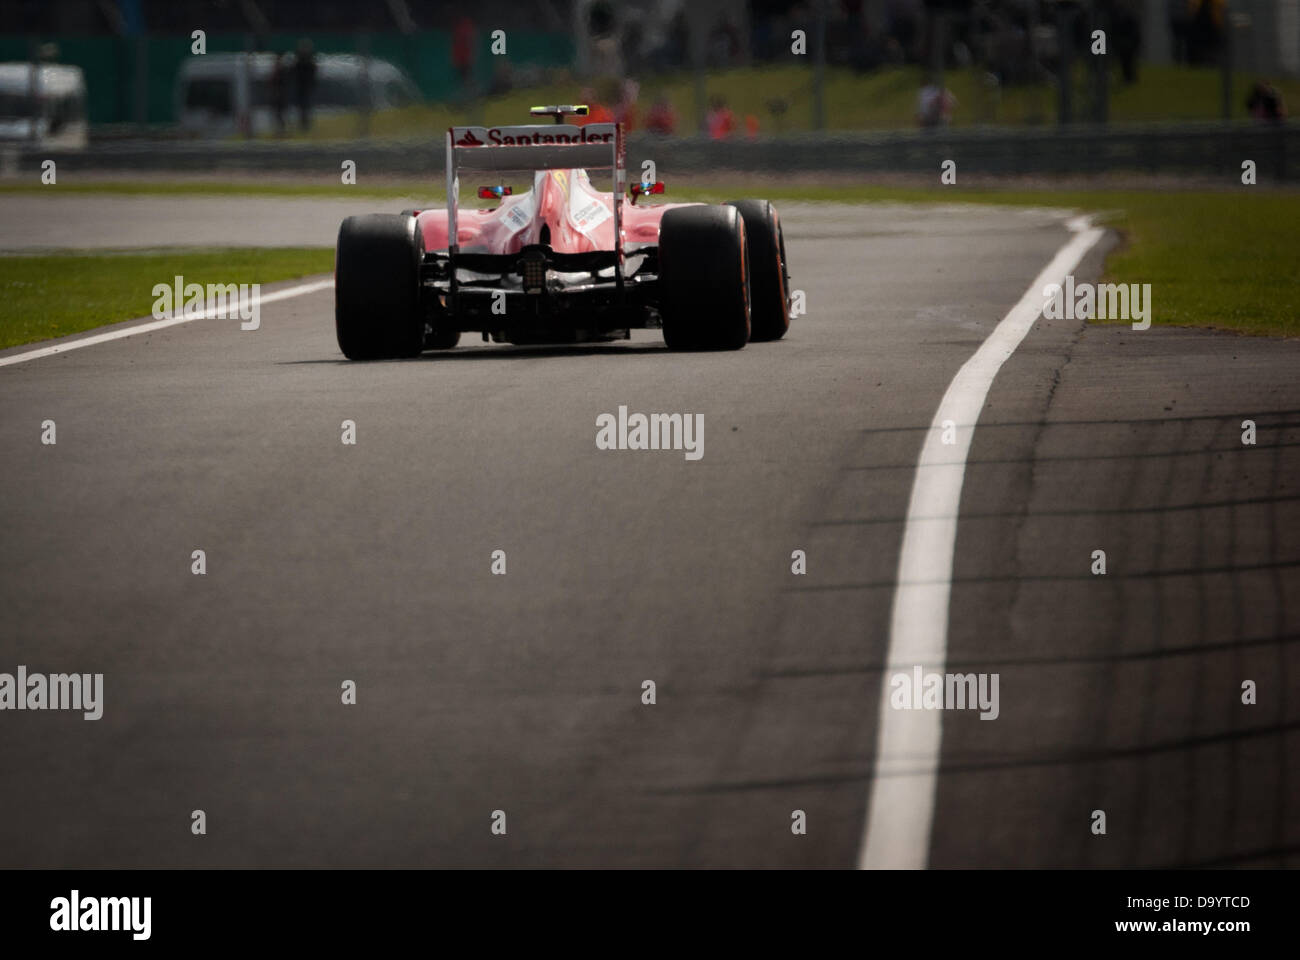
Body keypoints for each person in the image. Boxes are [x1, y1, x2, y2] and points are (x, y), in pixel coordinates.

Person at [293, 38, 317, 132]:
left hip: (306, 87)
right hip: (302, 86)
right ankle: (303, 124)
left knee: (306, 106)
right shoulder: (300, 63)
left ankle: (305, 124)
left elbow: (312, 74)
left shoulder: (310, 64)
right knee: (303, 106)